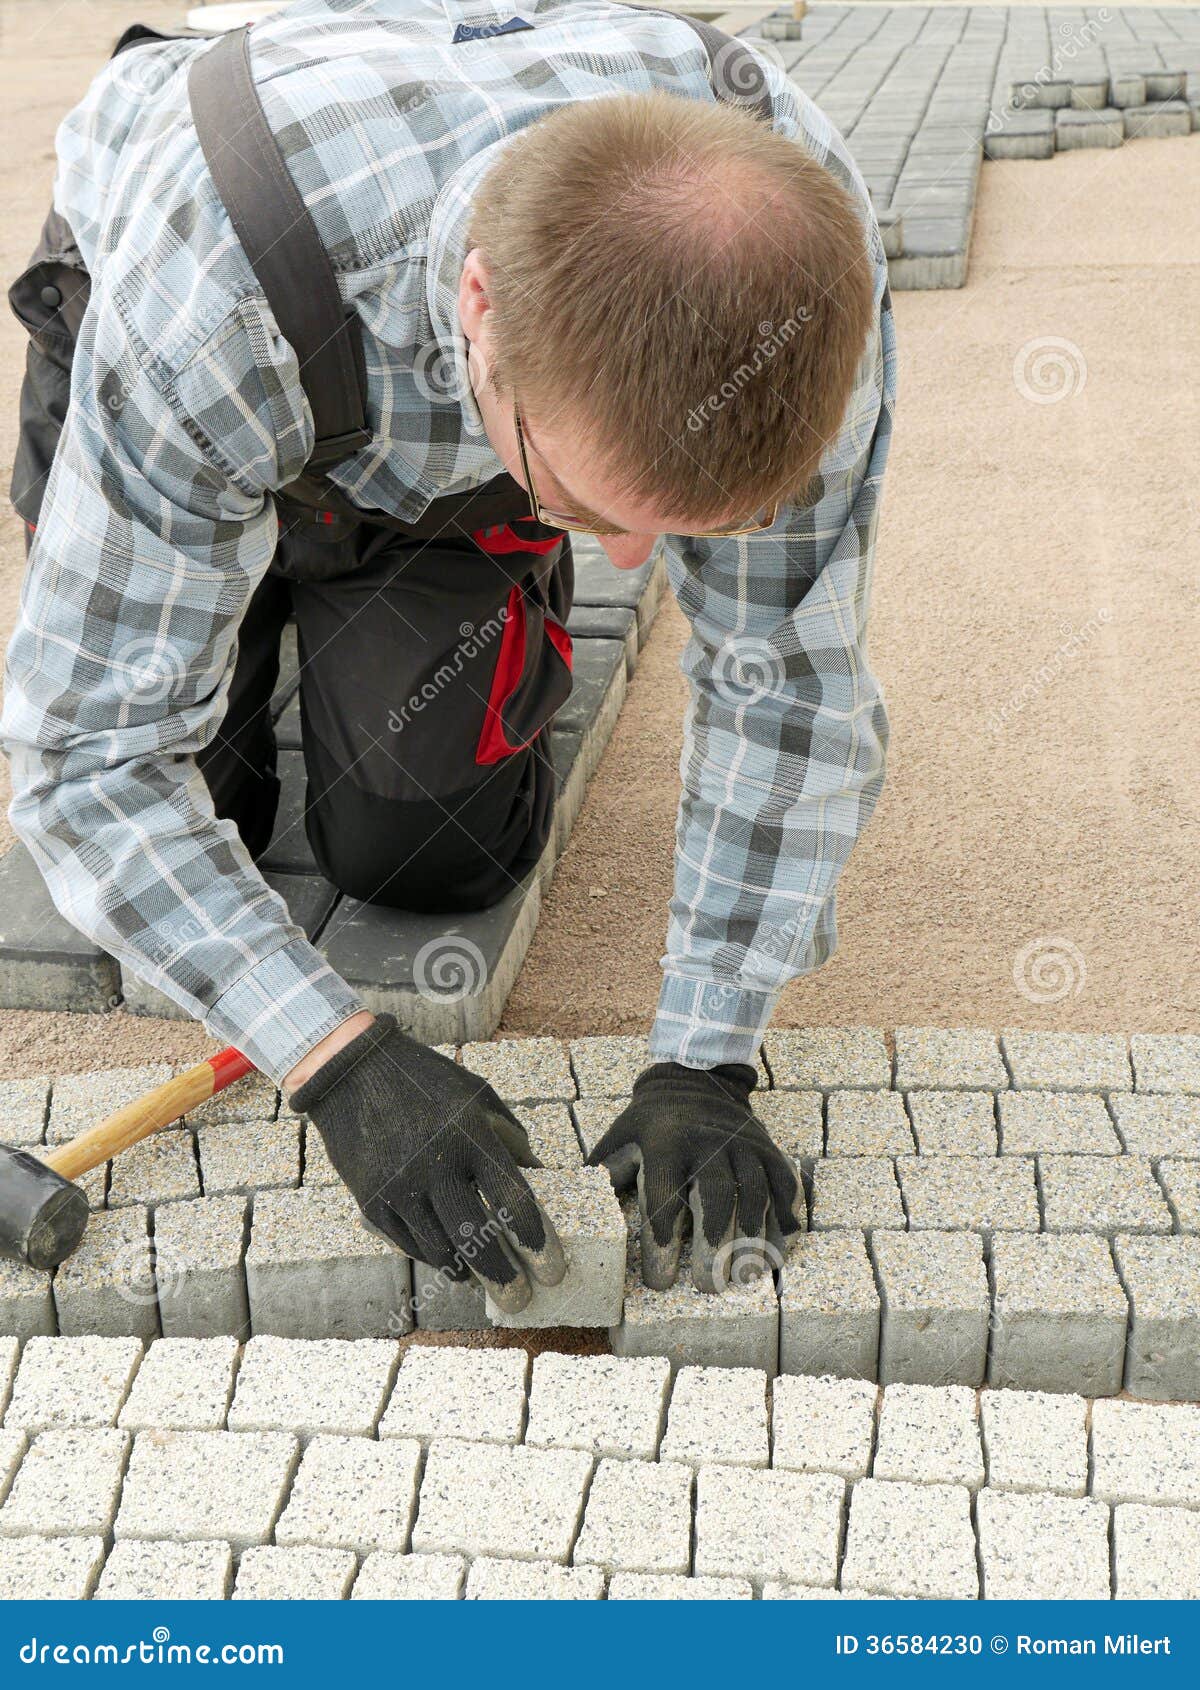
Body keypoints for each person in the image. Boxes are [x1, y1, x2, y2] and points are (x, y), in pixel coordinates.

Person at [2, 1, 896, 1309]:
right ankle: (234, 574)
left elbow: (787, 672)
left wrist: (708, 1057)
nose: (641, 566)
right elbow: (86, 757)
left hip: (438, 433)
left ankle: (471, 542)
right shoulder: (204, 288)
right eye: (597, 511)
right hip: (203, 302)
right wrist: (337, 1057)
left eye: (683, 524)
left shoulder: (800, 267)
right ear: (480, 307)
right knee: (209, 787)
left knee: (418, 843)